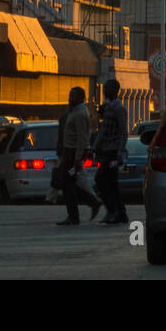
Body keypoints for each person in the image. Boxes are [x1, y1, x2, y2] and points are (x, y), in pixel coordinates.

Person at [57, 86, 102, 225]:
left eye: (72, 96)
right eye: (70, 95)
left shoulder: (80, 114)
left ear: (80, 98)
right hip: (69, 152)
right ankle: (90, 203)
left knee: (66, 183)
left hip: (73, 153)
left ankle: (80, 211)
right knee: (68, 183)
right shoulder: (75, 112)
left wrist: (77, 158)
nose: (69, 98)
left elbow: (83, 138)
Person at [93, 79, 129, 225]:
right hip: (105, 150)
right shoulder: (108, 108)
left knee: (101, 179)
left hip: (113, 152)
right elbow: (103, 130)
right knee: (111, 183)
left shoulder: (119, 109)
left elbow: (123, 132)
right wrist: (96, 146)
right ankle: (120, 213)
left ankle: (113, 210)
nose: (105, 91)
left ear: (115, 90)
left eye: (108, 88)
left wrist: (120, 151)